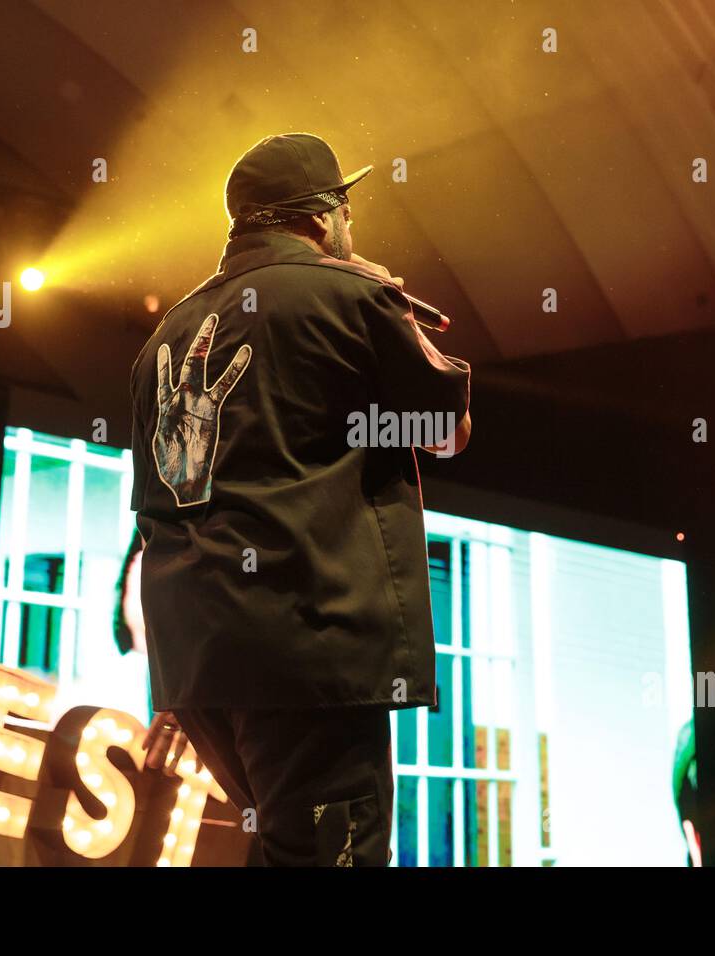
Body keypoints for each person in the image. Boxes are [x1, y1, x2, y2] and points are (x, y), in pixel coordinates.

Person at [128, 133, 472, 866]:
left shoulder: (164, 336)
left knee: (284, 849)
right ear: (322, 218)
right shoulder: (352, 294)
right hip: (310, 650)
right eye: (345, 207)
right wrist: (394, 307)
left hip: (200, 668)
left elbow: (160, 504)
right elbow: (448, 430)